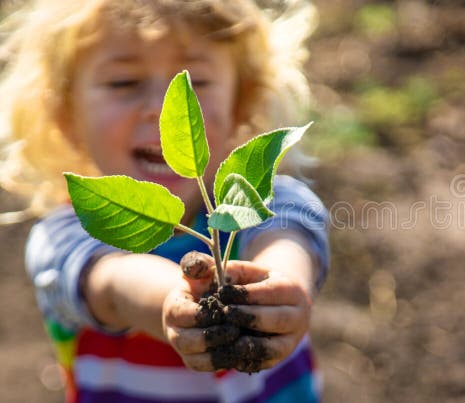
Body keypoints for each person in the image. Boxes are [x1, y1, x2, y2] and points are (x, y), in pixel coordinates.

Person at [0, 0, 329, 402]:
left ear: (241, 103)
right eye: (123, 82)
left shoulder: (257, 199)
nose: (160, 110)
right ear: (66, 115)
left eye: (195, 83)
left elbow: (289, 231)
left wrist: (278, 287)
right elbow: (112, 283)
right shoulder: (66, 234)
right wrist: (174, 304)